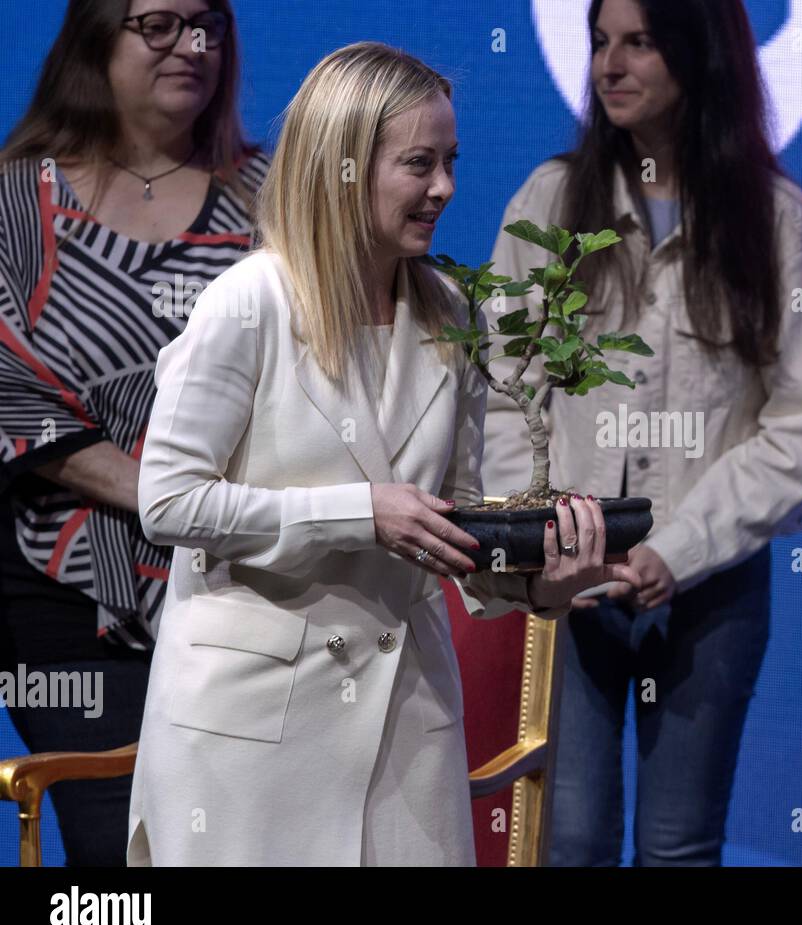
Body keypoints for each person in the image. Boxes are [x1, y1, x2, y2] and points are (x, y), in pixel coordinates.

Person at [125, 42, 638, 867]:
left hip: (407, 728)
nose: (445, 188)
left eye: (451, 162)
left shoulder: (448, 311)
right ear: (341, 169)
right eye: (419, 164)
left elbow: (456, 525)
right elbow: (172, 502)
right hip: (250, 734)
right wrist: (361, 514)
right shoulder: (248, 305)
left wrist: (544, 583)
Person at [482, 0, 802, 865]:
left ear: (699, 53)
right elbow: (503, 395)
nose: (611, 65)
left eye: (639, 43)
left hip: (709, 590)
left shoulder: (778, 223)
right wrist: (537, 541)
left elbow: (797, 428)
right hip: (564, 587)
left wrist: (673, 551)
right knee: (567, 842)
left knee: (678, 847)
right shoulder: (548, 203)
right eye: (600, 43)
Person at [0, 0, 264, 866]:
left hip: (244, 584)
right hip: (70, 588)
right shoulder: (19, 200)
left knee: (240, 840)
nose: (192, 45)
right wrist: (162, 495)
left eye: (210, 24)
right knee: (118, 855)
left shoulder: (270, 203)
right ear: (95, 38)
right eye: (160, 24)